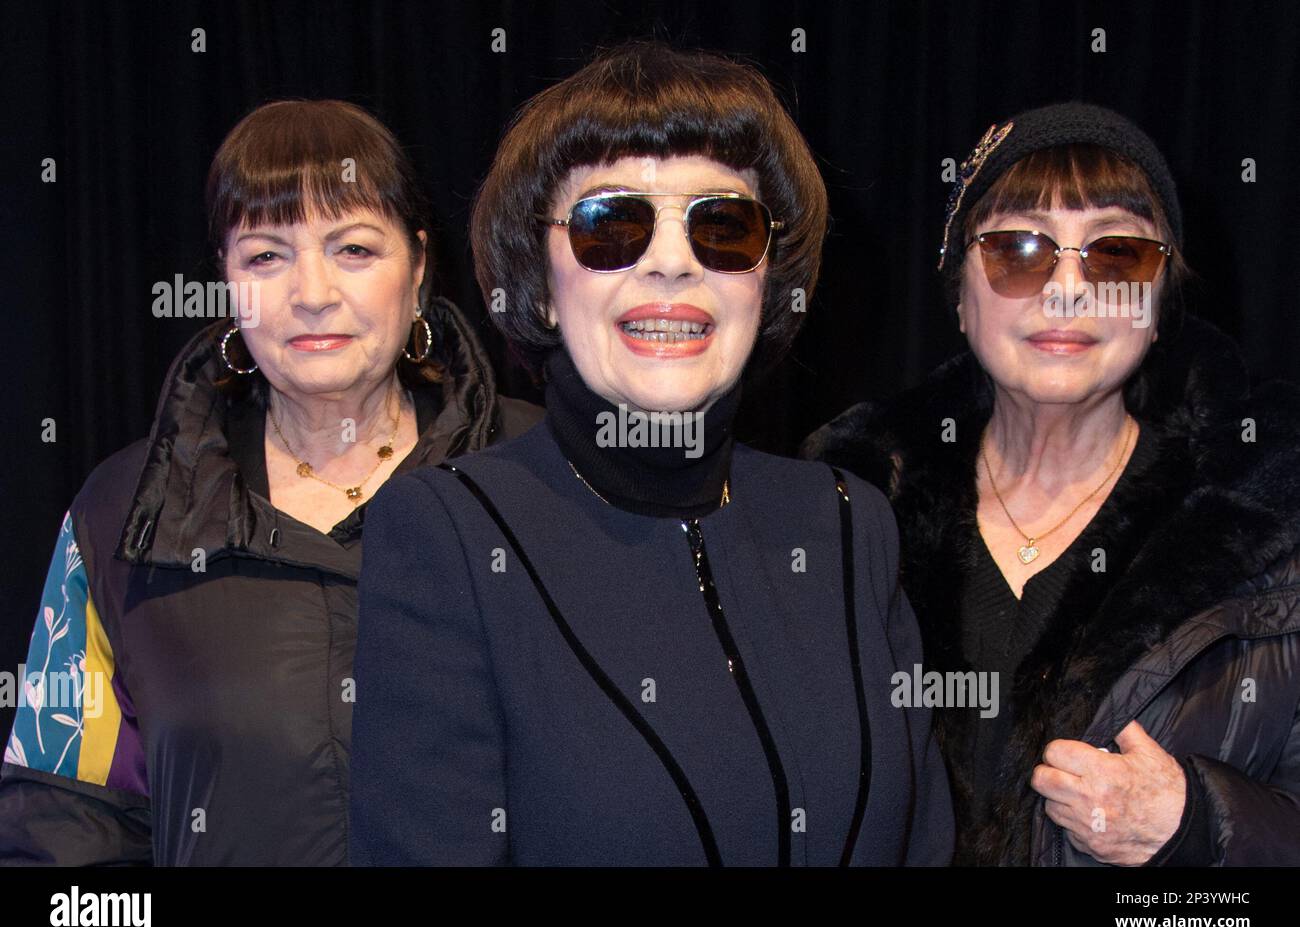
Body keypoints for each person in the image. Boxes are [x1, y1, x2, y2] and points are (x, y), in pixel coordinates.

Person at [348, 42, 954, 866]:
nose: (672, 262)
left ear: (767, 279)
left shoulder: (849, 523)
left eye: (723, 227)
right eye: (612, 227)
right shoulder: (449, 534)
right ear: (540, 283)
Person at [0, 99, 540, 865]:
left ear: (418, 268)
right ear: (225, 279)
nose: (312, 292)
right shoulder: (124, 513)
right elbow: (59, 841)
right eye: (265, 257)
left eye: (353, 249)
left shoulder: (545, 478)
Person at [804, 102, 1300, 866]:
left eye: (1118, 255)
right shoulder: (838, 510)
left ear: (1159, 305)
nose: (1069, 290)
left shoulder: (1272, 530)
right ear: (961, 298)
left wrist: (1200, 824)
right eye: (1020, 249)